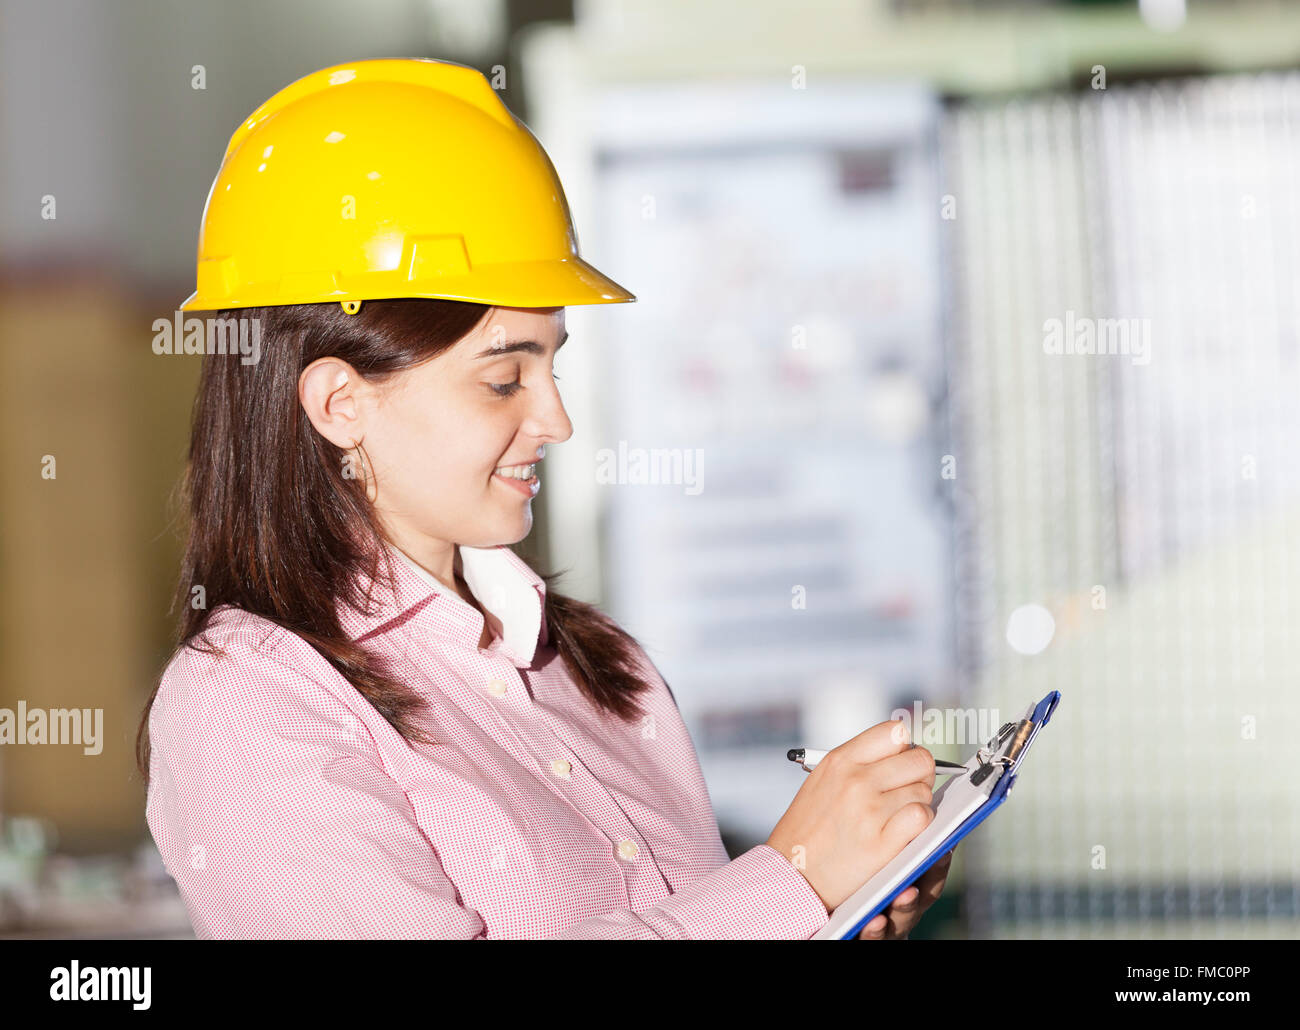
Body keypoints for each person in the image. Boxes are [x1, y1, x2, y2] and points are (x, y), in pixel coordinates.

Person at [137, 57, 949, 939]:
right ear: (341, 404)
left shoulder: (602, 667)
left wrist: (837, 910)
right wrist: (791, 881)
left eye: (552, 363)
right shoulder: (249, 705)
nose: (555, 420)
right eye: (502, 379)